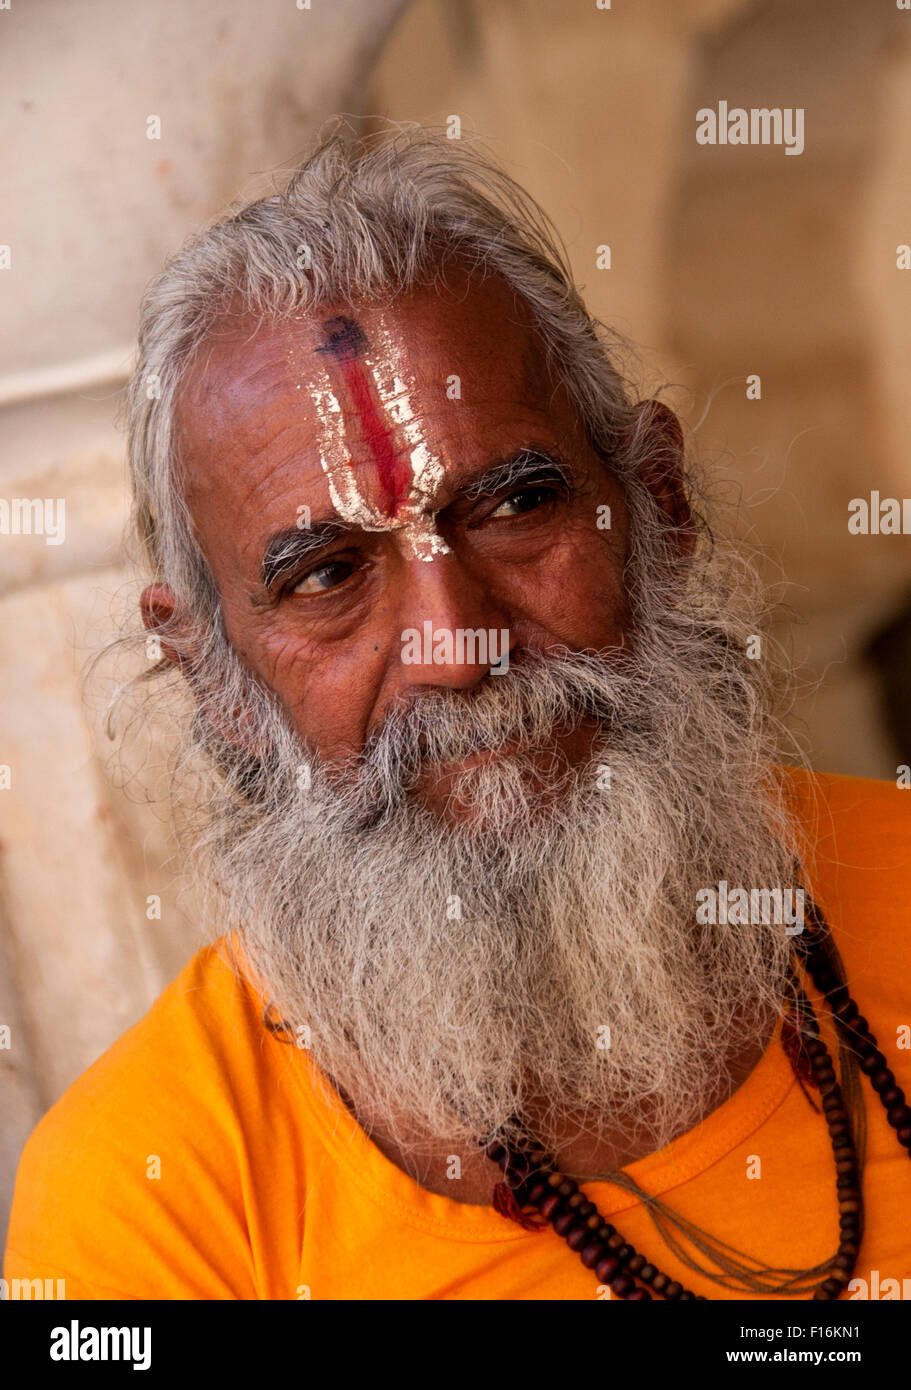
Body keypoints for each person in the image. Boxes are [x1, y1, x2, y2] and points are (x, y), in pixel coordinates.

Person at [5, 127, 910, 1301]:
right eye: (326, 573)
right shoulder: (151, 1205)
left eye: (516, 504)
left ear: (658, 512)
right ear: (214, 679)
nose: (454, 640)